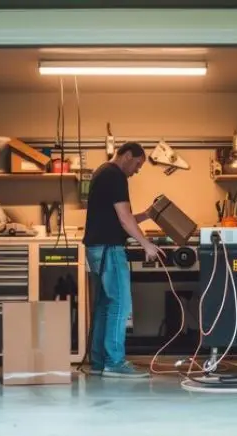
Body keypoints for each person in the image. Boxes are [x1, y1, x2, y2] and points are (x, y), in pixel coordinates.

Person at [83, 141, 164, 378]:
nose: (137, 170)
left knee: (104, 306)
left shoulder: (102, 172)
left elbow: (122, 217)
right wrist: (146, 244)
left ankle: (99, 362)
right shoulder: (116, 176)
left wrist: (148, 214)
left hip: (97, 248)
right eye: (138, 164)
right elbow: (124, 219)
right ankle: (114, 362)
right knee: (120, 304)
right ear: (128, 155)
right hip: (110, 248)